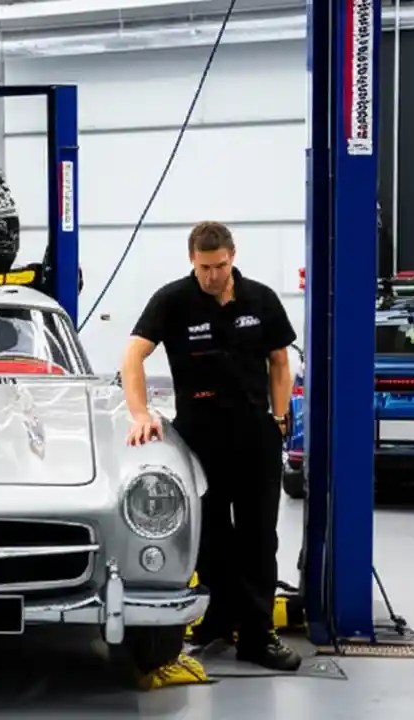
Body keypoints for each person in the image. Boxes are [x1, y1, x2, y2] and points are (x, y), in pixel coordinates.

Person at [120, 220, 301, 671]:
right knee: (210, 536)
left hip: (255, 434)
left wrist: (279, 417)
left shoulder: (260, 299)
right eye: (204, 267)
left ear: (232, 257)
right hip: (200, 437)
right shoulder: (173, 301)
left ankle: (257, 637)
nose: (212, 276)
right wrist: (140, 413)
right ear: (192, 260)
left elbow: (280, 362)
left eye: (219, 266)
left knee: (259, 537)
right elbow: (133, 355)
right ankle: (217, 622)